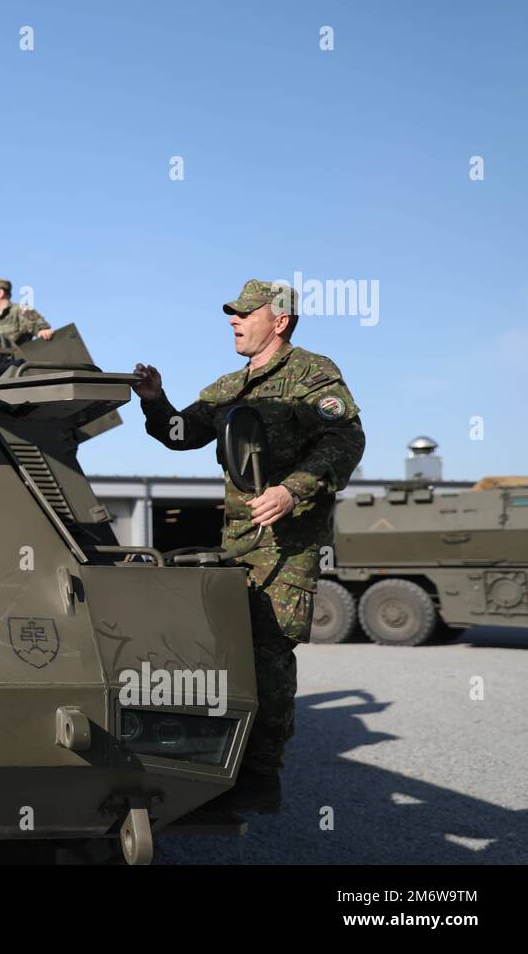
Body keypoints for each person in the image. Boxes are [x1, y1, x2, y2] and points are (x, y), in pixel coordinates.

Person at [133, 279, 365, 816]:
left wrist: (292, 491)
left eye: (244, 314)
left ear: (278, 321)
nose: (233, 322)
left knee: (267, 653)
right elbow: (181, 433)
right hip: (236, 542)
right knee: (225, 654)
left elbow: (346, 440)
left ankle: (261, 775)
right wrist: (155, 400)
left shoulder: (313, 374)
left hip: (288, 542)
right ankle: (220, 765)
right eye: (230, 315)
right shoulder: (230, 386)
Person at [0, 278, 54, 345]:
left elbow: (43, 330)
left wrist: (43, 332)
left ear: (0, 292)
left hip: (18, 359)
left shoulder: (21, 310)